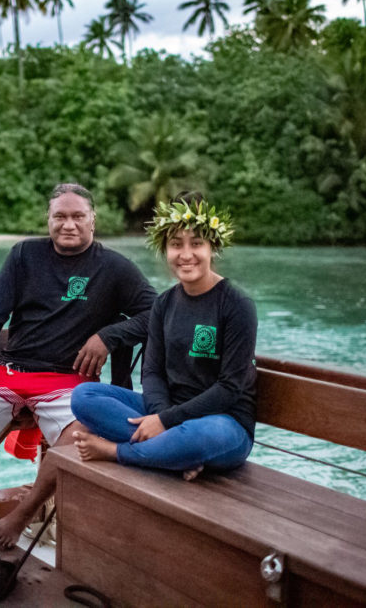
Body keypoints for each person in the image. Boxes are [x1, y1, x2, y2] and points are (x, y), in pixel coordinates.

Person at [0, 183, 157, 548]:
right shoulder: (24, 255)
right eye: (59, 216)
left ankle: (24, 513)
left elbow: (157, 313)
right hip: (10, 368)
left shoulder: (115, 268)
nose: (68, 224)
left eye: (78, 216)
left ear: (93, 220)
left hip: (69, 380)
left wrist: (109, 335)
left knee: (79, 435)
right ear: (48, 220)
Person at [72, 195, 256, 480]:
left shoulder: (237, 305)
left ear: (213, 247)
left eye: (197, 244)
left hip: (224, 422)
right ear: (165, 249)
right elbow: (152, 373)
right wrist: (161, 418)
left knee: (202, 435)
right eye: (176, 245)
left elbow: (229, 388)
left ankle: (117, 452)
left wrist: (165, 421)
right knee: (84, 396)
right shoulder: (164, 304)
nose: (186, 254)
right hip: (167, 411)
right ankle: (173, 454)